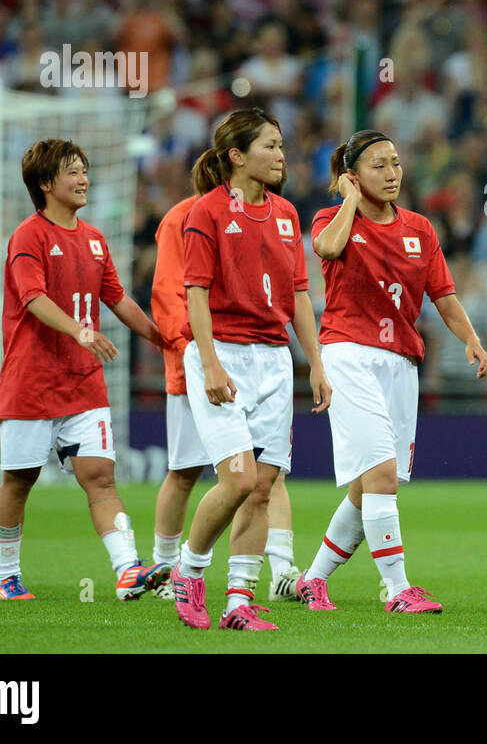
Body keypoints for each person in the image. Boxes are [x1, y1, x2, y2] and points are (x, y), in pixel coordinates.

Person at [301, 129, 487, 614]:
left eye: (396, 163)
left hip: (402, 363)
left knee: (371, 487)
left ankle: (313, 578)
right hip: (349, 355)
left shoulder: (420, 229)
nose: (391, 174)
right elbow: (325, 248)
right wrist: (348, 201)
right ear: (353, 175)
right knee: (380, 476)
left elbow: (443, 295)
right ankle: (397, 589)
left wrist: (469, 337)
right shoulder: (334, 217)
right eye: (378, 165)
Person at [170, 107, 332, 632]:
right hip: (223, 354)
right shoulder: (207, 212)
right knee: (237, 478)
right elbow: (194, 293)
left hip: (274, 359)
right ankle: (190, 570)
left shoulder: (286, 214)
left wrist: (316, 364)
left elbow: (301, 296)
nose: (281, 155)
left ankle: (239, 600)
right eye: (270, 146)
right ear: (237, 156)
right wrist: (211, 362)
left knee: (263, 485)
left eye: (282, 145)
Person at [0, 139, 166, 601]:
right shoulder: (29, 235)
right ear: (46, 183)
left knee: (100, 476)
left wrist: (161, 338)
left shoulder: (94, 238)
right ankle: (6, 576)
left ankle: (128, 569)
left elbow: (118, 299)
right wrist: (80, 331)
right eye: (72, 171)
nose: (84, 177)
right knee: (19, 480)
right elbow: (32, 297)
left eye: (84, 169)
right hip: (31, 381)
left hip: (84, 383)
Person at [149, 154, 302, 602]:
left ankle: (278, 570)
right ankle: (166, 566)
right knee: (185, 471)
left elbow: (286, 291)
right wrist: (201, 358)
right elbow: (170, 294)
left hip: (259, 363)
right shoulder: (187, 218)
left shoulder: (275, 214)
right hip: (199, 365)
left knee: (265, 478)